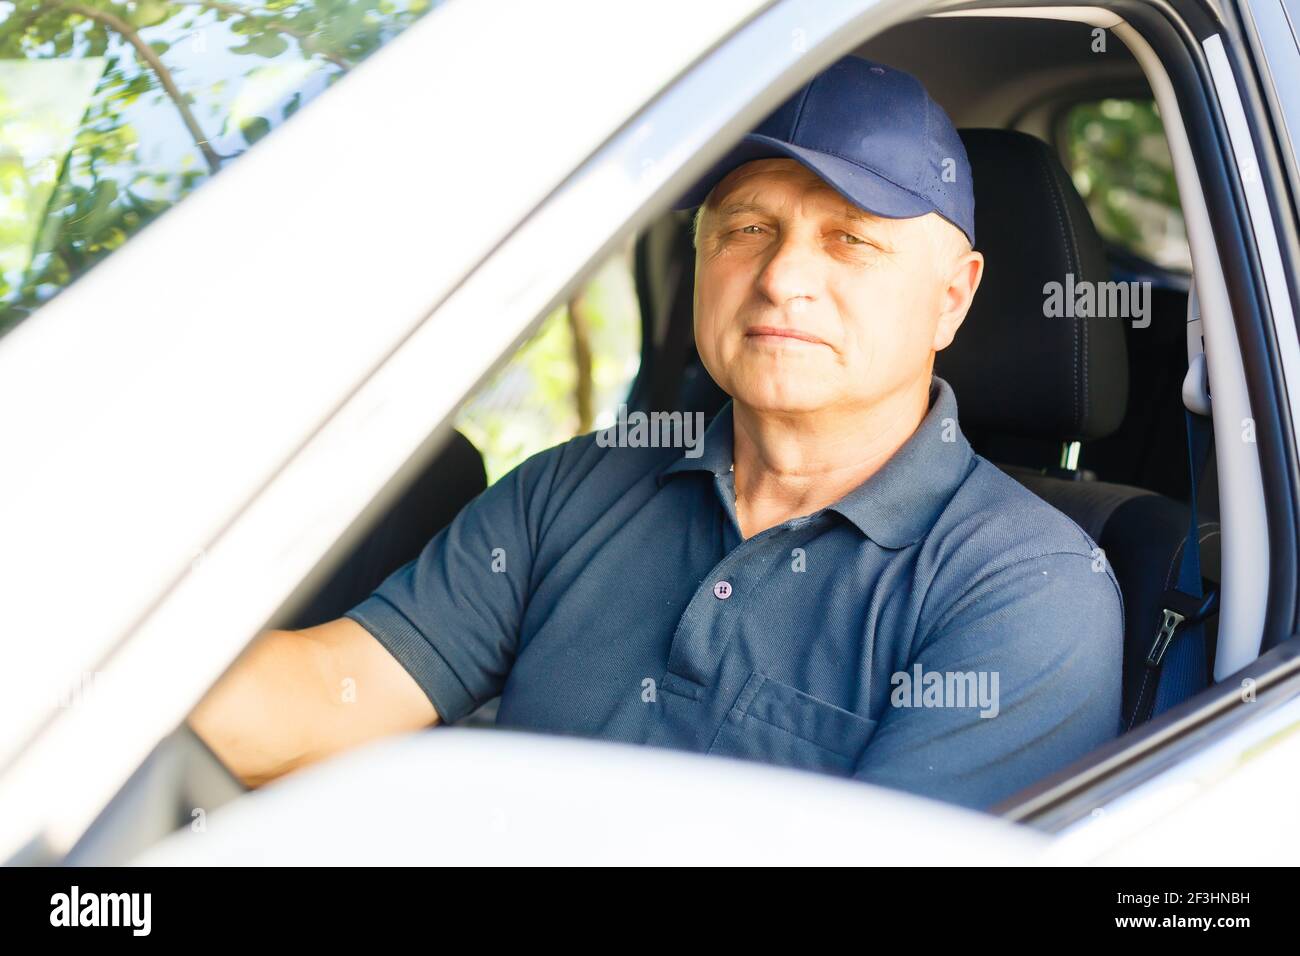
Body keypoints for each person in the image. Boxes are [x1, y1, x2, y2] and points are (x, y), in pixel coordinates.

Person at [189, 55, 1122, 810]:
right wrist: (108, 690)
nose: (782, 278)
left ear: (952, 297)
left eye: (850, 239)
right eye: (748, 228)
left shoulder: (1027, 590)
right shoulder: (578, 486)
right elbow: (328, 694)